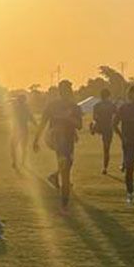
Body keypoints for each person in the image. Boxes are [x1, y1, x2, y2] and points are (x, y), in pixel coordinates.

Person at [33, 80, 82, 209]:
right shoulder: (52, 106)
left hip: (68, 140)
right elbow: (43, 123)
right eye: (65, 90)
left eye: (68, 90)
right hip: (56, 139)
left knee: (68, 165)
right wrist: (36, 140)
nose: (67, 92)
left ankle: (55, 177)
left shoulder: (74, 107)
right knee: (66, 171)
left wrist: (68, 118)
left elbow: (79, 125)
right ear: (60, 91)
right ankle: (64, 204)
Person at [91, 88, 118, 175]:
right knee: (106, 149)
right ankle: (105, 167)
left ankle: (93, 129)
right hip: (108, 128)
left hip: (100, 126)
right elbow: (117, 115)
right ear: (108, 96)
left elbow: (94, 117)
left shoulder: (97, 105)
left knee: (106, 148)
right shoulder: (111, 105)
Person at [9, 94, 34, 171]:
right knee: (23, 146)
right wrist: (36, 124)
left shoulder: (16, 107)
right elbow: (31, 117)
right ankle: (22, 162)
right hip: (23, 129)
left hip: (17, 129)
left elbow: (30, 117)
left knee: (14, 146)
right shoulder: (26, 108)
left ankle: (15, 162)